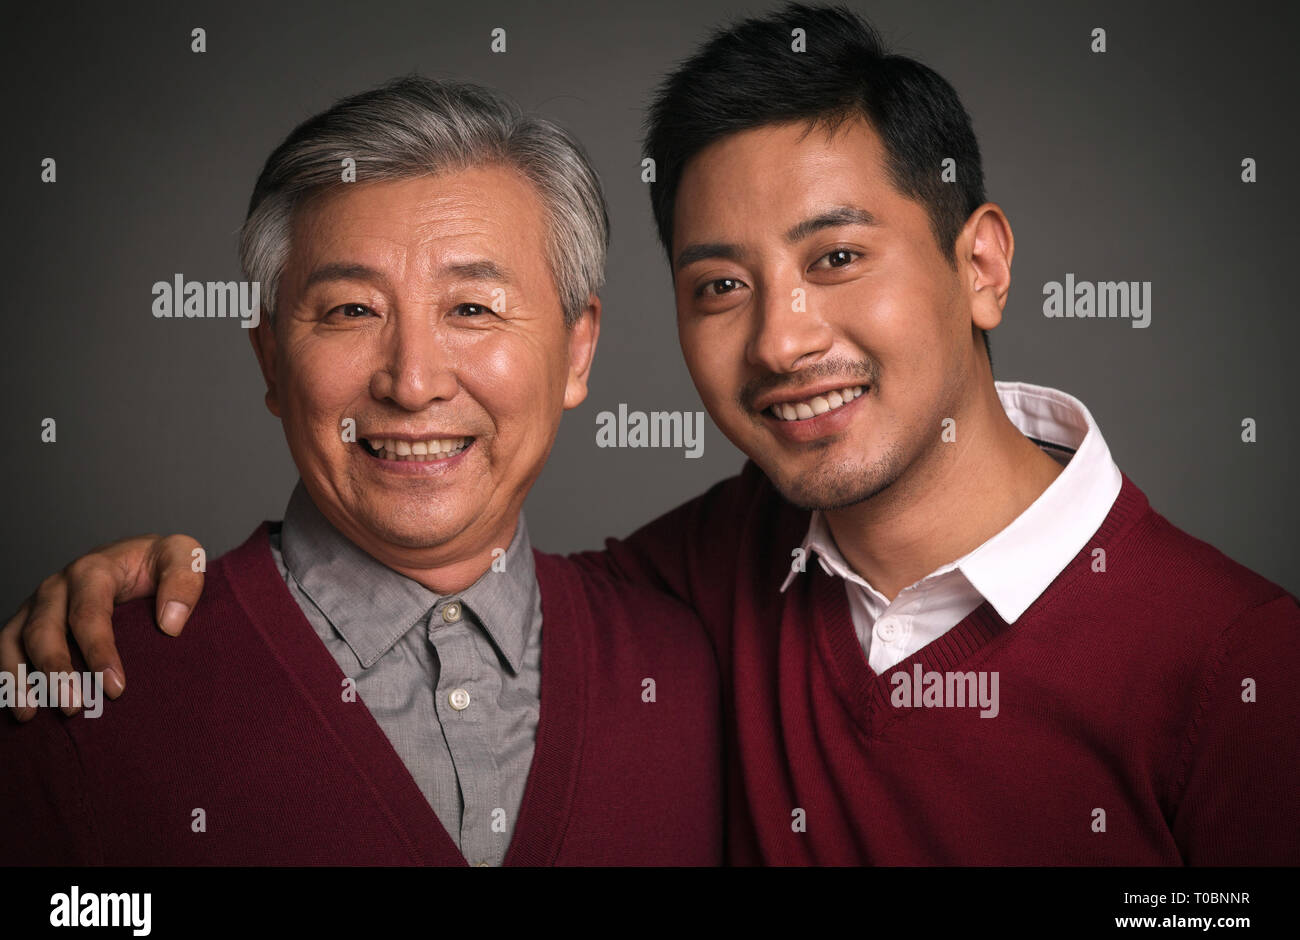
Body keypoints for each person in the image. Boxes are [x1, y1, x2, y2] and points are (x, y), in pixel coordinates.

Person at [7, 4, 1297, 865]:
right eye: (721, 284)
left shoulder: (1240, 670)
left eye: (837, 255)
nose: (784, 340)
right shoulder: (699, 586)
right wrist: (106, 601)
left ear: (982, 265)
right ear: (268, 357)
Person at [0, 77, 722, 866]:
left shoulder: (691, 668)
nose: (412, 383)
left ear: (578, 350)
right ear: (270, 355)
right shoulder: (87, 691)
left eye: (473, 309)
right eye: (351, 310)